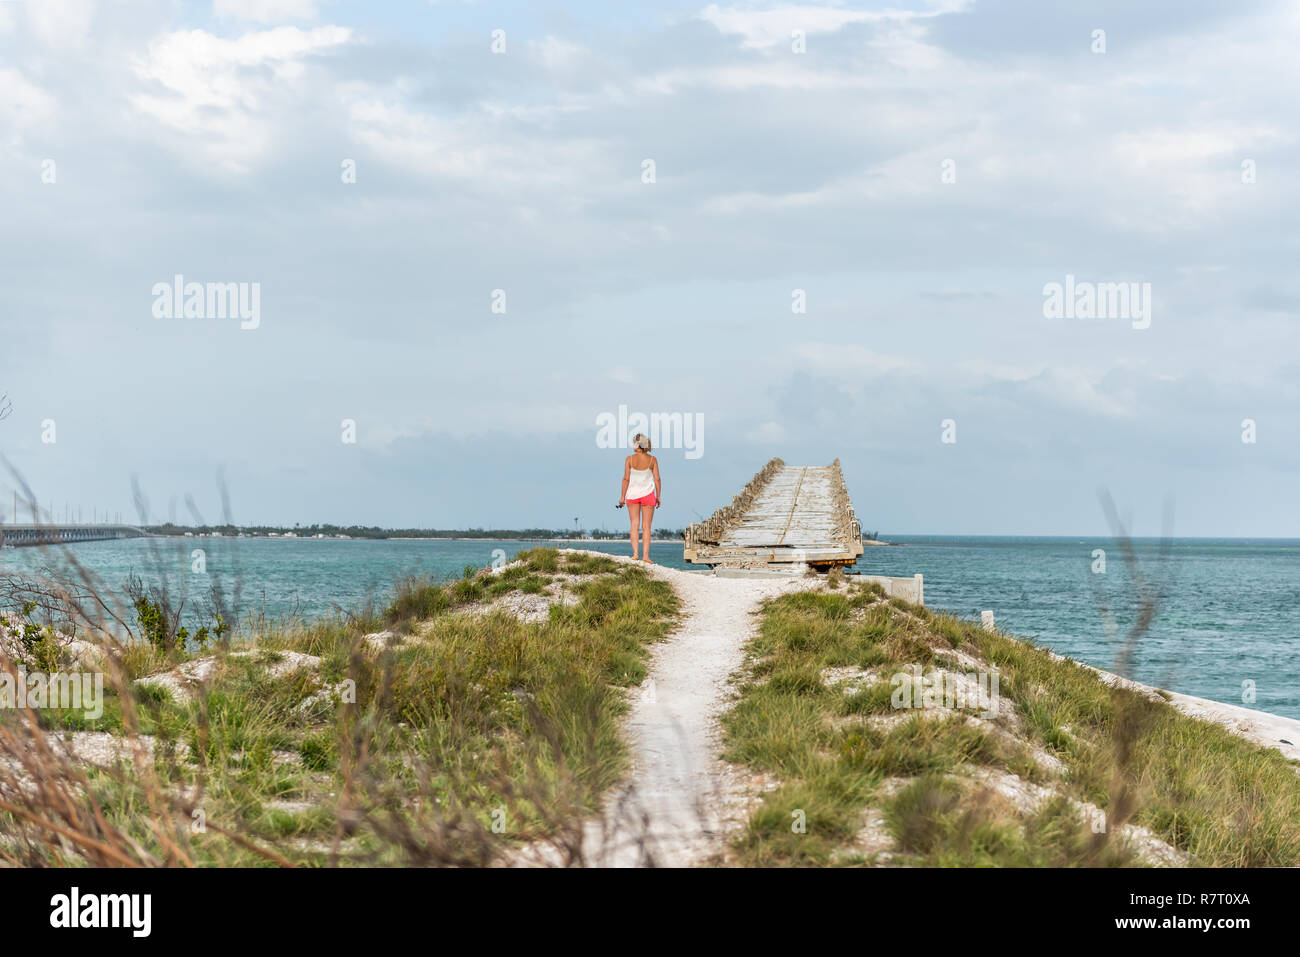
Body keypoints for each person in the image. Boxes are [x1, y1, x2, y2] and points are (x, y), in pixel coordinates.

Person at [619, 433, 661, 563]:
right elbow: (657, 479)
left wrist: (622, 497)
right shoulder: (652, 459)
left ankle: (636, 554)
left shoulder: (629, 459)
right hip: (648, 495)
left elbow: (626, 479)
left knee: (634, 525)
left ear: (639, 445)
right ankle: (646, 557)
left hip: (632, 495)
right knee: (647, 527)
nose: (633, 445)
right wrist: (658, 496)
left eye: (634, 443)